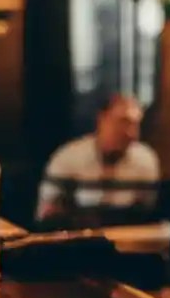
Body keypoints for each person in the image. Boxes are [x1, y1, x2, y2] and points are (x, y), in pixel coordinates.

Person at [36, 93, 160, 227]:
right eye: (123, 122)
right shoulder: (67, 158)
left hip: (126, 242)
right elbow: (47, 216)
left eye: (136, 125)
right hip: (76, 242)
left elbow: (147, 217)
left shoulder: (145, 161)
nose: (131, 133)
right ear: (102, 120)